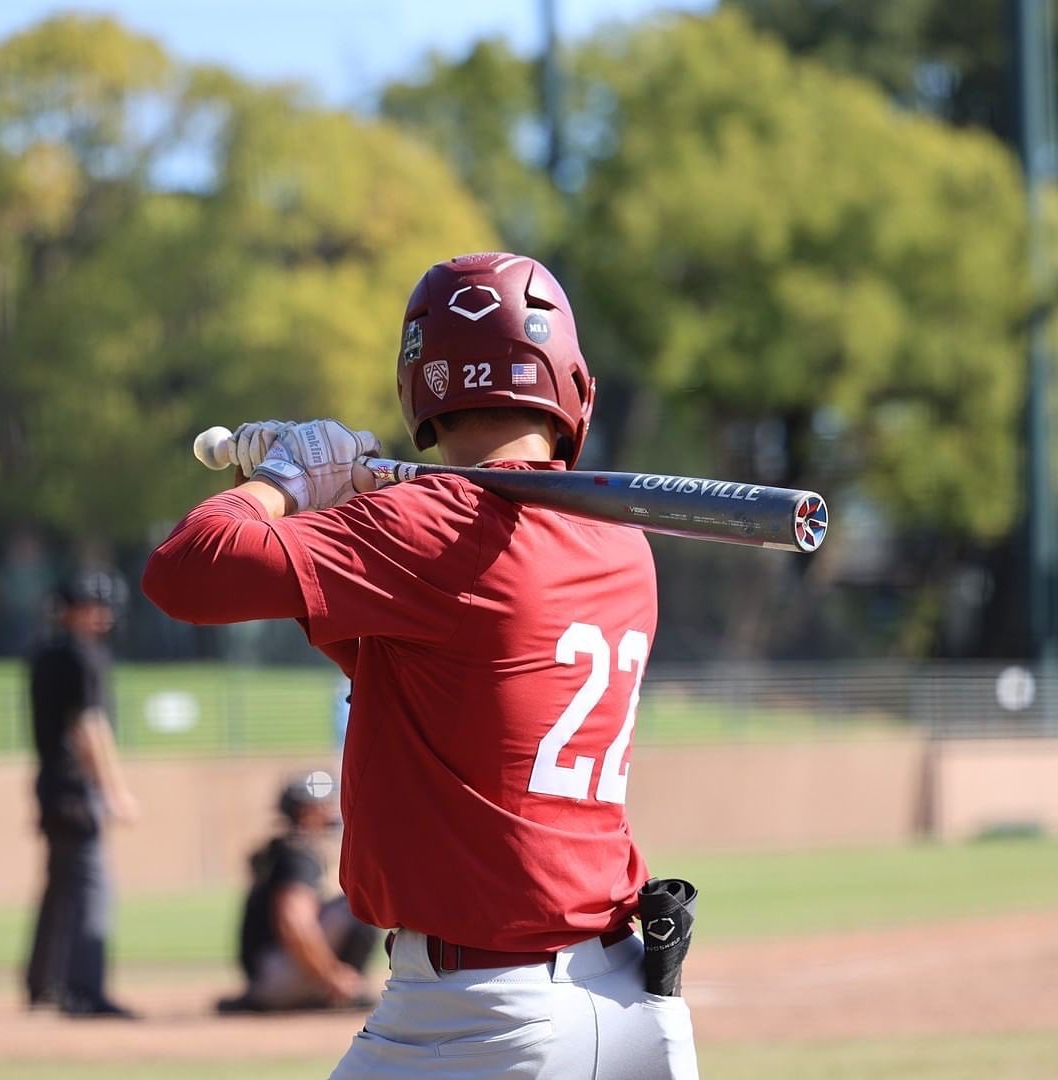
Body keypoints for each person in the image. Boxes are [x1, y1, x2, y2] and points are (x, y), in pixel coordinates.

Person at [143, 252, 700, 1077]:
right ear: (569, 383)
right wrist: (353, 510)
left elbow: (185, 569)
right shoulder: (621, 542)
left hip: (477, 1019)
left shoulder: (427, 523)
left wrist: (284, 481)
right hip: (626, 998)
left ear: (422, 389)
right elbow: (407, 655)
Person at [24, 571, 140, 1018]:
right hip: (75, 790)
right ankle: (84, 993)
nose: (103, 615)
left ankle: (43, 984)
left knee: (59, 888)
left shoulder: (46, 653)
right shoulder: (82, 656)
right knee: (91, 888)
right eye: (95, 606)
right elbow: (89, 726)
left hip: (51, 787)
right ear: (73, 611)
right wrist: (115, 791)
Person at [217, 769, 380, 1013]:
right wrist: (332, 976)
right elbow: (293, 923)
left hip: (264, 975)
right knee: (358, 907)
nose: (332, 811)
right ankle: (334, 992)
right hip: (276, 980)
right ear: (307, 812)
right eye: (324, 805)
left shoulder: (281, 848)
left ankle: (314, 990)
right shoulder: (298, 853)